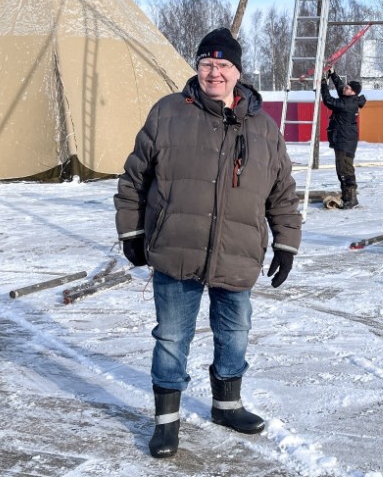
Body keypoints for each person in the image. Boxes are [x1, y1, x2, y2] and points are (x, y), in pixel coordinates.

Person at [114, 27, 302, 458]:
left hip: (238, 251)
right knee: (171, 337)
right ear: (197, 67)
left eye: (223, 65)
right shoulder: (167, 113)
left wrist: (286, 243)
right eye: (206, 64)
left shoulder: (263, 128)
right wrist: (132, 232)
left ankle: (227, 405)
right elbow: (134, 180)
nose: (214, 72)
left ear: (238, 72)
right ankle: (166, 421)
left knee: (234, 332)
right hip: (176, 249)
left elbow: (282, 193)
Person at [321, 69, 366, 208]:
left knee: (345, 169)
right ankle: (347, 196)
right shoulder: (349, 98)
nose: (345, 88)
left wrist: (323, 84)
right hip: (343, 139)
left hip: (345, 141)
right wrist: (333, 74)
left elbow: (328, 101)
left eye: (348, 88)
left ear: (353, 92)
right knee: (342, 169)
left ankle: (351, 198)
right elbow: (340, 87)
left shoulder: (348, 104)